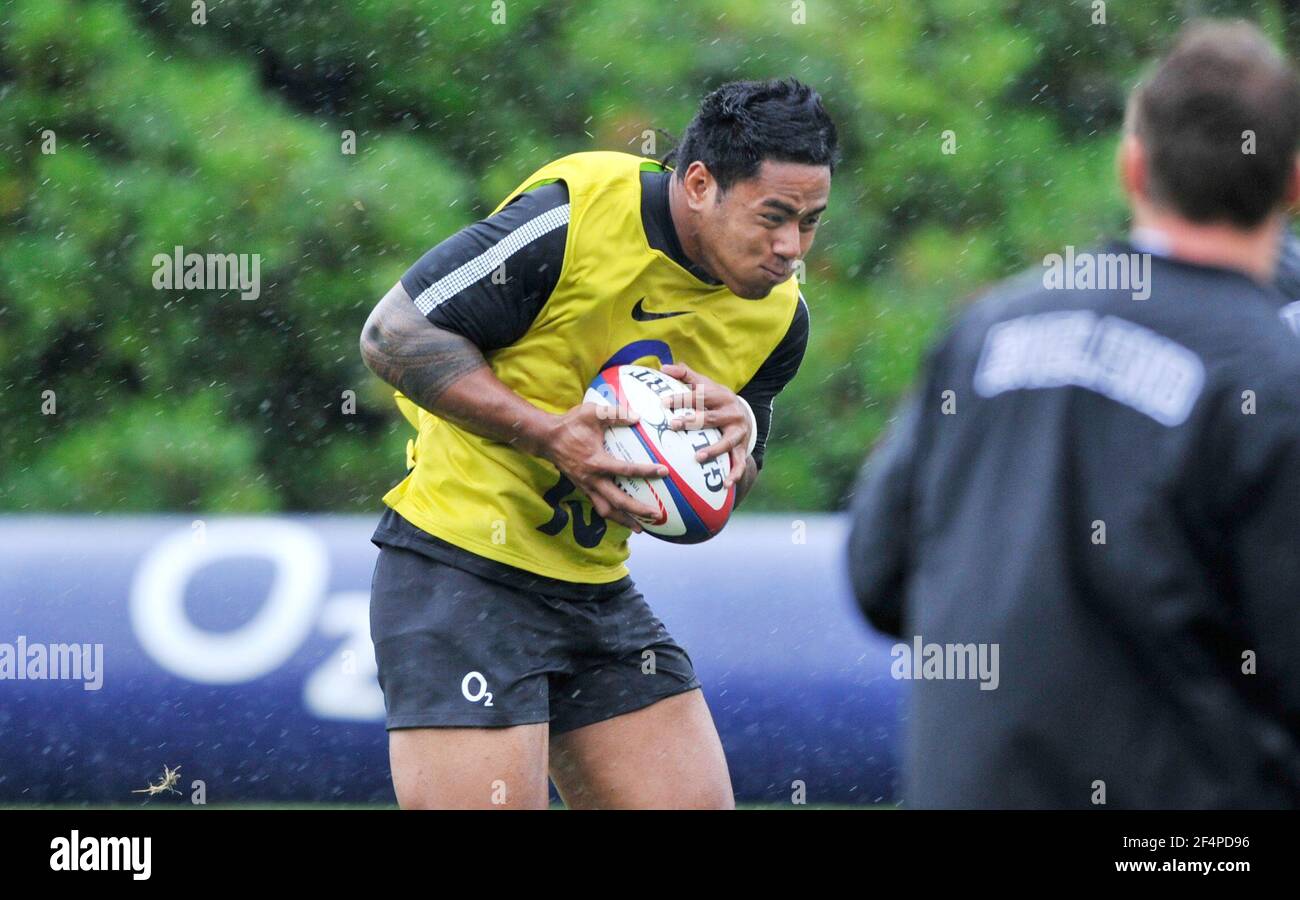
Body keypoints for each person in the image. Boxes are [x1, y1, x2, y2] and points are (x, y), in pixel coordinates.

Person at [847, 21, 1300, 808]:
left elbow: (877, 575)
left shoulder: (984, 331)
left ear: (1133, 166)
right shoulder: (1271, 377)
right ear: (1293, 185)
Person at [359, 78, 838, 808]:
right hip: (459, 570)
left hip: (593, 592)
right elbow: (394, 334)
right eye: (773, 217)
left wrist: (735, 448)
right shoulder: (574, 215)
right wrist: (552, 436)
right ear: (701, 184)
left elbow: (713, 500)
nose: (789, 248)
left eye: (809, 223)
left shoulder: (780, 319)